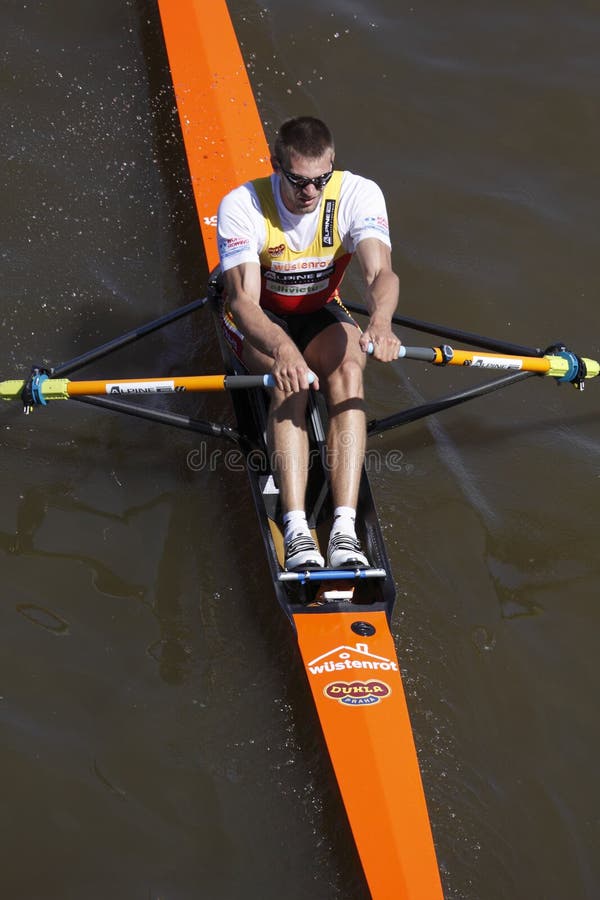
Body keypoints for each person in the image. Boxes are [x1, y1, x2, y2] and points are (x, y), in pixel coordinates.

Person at [217, 116, 400, 571]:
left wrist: (380, 322)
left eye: (321, 180)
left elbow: (381, 274)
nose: (311, 193)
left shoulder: (358, 193)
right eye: (299, 181)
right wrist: (284, 352)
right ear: (275, 163)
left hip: (318, 310)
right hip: (258, 319)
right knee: (294, 380)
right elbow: (242, 302)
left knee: (352, 364)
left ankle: (343, 528)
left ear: (332, 165)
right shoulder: (243, 205)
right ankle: (297, 528)